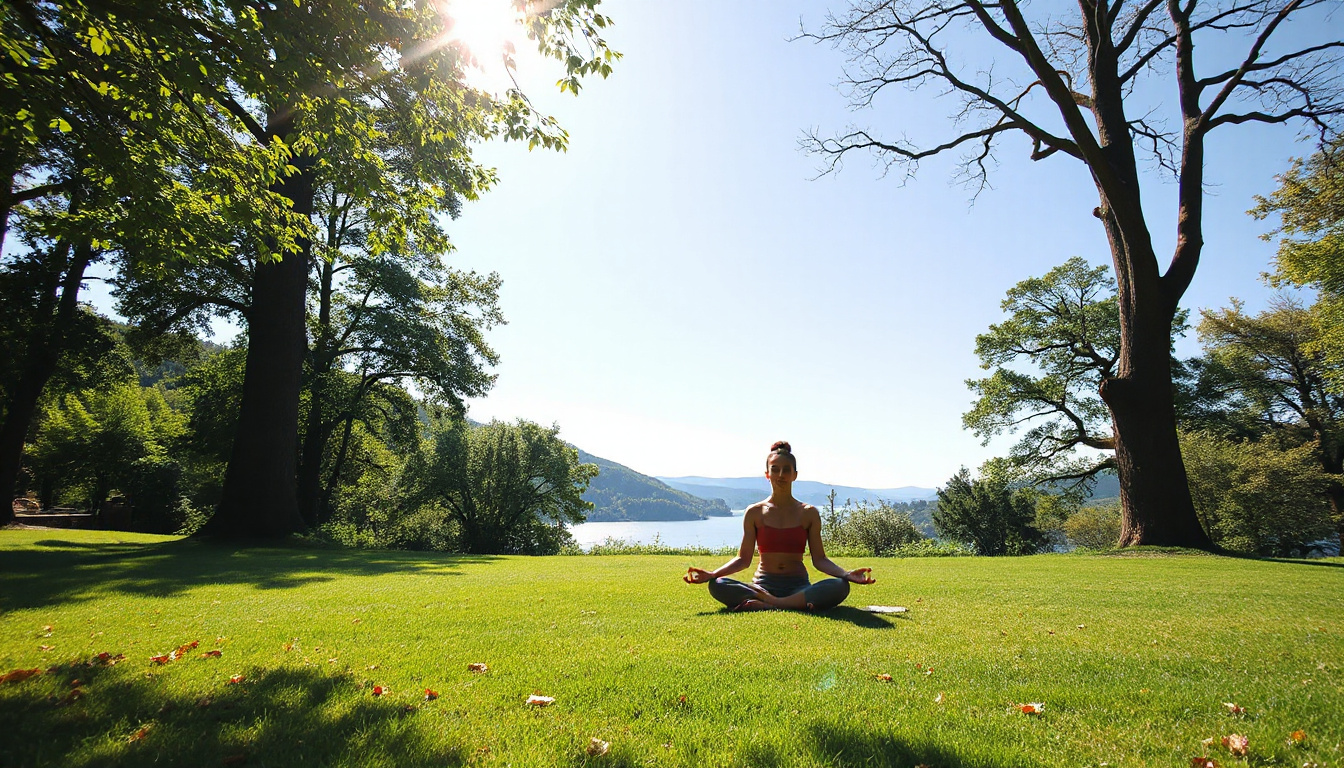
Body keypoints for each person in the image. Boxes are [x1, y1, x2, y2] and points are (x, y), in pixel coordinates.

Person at [683, 441, 874, 611]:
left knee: (841, 586)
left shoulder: (809, 513)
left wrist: (846, 574)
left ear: (795, 475)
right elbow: (743, 559)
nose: (780, 475)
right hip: (762, 585)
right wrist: (712, 574)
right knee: (717, 584)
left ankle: (769, 604)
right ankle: (787, 603)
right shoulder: (754, 512)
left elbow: (820, 559)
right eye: (775, 469)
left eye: (786, 470)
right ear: (767, 474)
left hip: (798, 586)